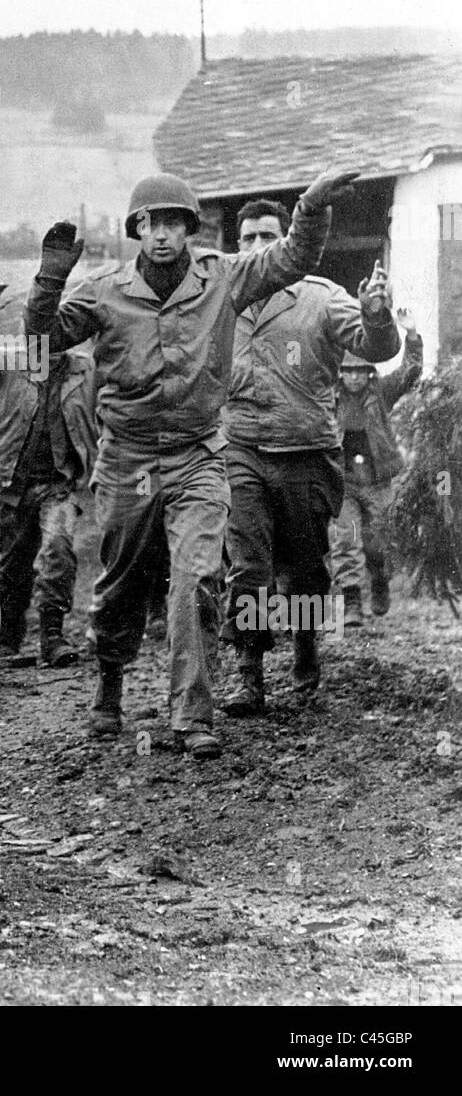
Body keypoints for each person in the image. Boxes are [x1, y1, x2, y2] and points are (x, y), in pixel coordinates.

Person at [24, 167, 357, 758]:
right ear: (137, 229)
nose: (161, 235)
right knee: (120, 582)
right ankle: (109, 682)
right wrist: (51, 279)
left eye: (173, 222)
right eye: (149, 223)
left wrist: (311, 207)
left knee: (197, 577)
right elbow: (42, 343)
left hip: (199, 454)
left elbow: (292, 256)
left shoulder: (224, 279)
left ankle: (191, 713)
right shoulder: (104, 292)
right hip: (127, 459)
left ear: (190, 229)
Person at [221, 199, 400, 717]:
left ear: (287, 240)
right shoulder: (221, 301)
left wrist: (375, 314)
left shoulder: (321, 298)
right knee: (248, 563)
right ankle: (248, 674)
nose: (258, 248)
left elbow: (375, 347)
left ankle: (305, 643)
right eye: (248, 238)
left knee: (305, 566)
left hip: (308, 454)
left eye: (268, 237)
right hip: (242, 449)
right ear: (238, 246)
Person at [0, 280, 98, 666]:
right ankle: (7, 642)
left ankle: (53, 638)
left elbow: (124, 370)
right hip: (12, 483)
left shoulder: (85, 371)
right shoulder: (11, 363)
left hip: (58, 485)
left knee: (58, 551)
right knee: (12, 566)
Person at [328, 308, 422, 628]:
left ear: (369, 373)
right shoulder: (329, 399)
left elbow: (410, 372)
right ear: (340, 373)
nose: (354, 377)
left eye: (360, 371)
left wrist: (410, 335)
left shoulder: (382, 392)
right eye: (348, 371)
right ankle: (352, 601)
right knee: (346, 538)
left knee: (378, 540)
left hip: (378, 480)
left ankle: (379, 580)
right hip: (344, 483)